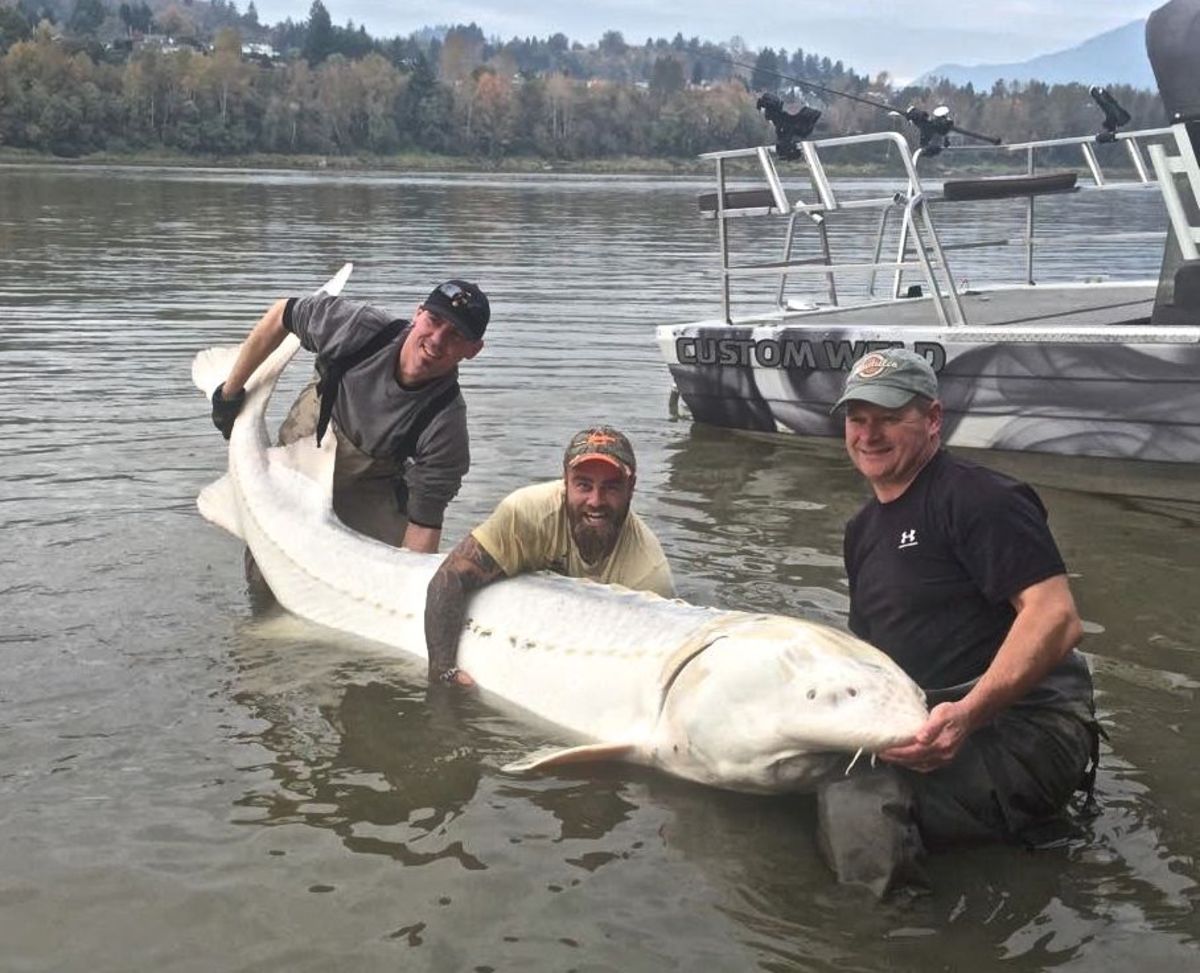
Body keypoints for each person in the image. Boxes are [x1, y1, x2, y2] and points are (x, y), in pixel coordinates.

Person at [819, 348, 1100, 898]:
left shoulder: (980, 498)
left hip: (1026, 727)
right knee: (798, 770)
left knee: (855, 801)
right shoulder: (861, 531)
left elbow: (1057, 616)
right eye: (858, 419)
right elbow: (868, 653)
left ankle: (890, 942)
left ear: (932, 420)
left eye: (889, 417)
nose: (869, 435)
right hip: (929, 717)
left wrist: (968, 716)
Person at [210, 277, 490, 554]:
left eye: (456, 335)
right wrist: (229, 393)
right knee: (270, 555)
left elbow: (425, 524)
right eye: (434, 320)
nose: (437, 340)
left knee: (382, 570)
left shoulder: (447, 427)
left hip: (369, 483)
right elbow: (282, 313)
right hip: (308, 442)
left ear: (473, 351)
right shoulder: (360, 327)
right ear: (417, 314)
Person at [424, 426, 676, 686]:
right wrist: (443, 672)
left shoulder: (649, 573)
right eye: (583, 485)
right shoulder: (527, 514)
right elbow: (449, 578)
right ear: (565, 480)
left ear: (631, 487)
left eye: (611, 487)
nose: (595, 500)